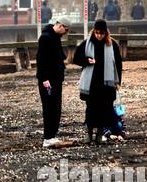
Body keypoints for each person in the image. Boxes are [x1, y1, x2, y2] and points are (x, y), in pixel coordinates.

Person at [73, 19, 124, 143]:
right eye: (97, 33)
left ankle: (99, 135)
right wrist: (86, 61)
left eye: (101, 33)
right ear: (93, 32)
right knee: (91, 109)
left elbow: (118, 63)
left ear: (106, 33)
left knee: (105, 109)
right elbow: (75, 59)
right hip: (91, 83)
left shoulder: (112, 45)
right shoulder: (87, 43)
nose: (99, 35)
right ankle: (89, 134)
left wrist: (118, 81)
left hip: (107, 83)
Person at [37, 16, 71, 147]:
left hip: (56, 78)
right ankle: (48, 137)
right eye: (66, 30)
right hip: (48, 80)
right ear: (60, 26)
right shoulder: (46, 38)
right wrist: (44, 78)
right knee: (49, 108)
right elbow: (41, 59)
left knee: (56, 107)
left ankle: (52, 134)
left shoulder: (55, 37)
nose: (66, 33)